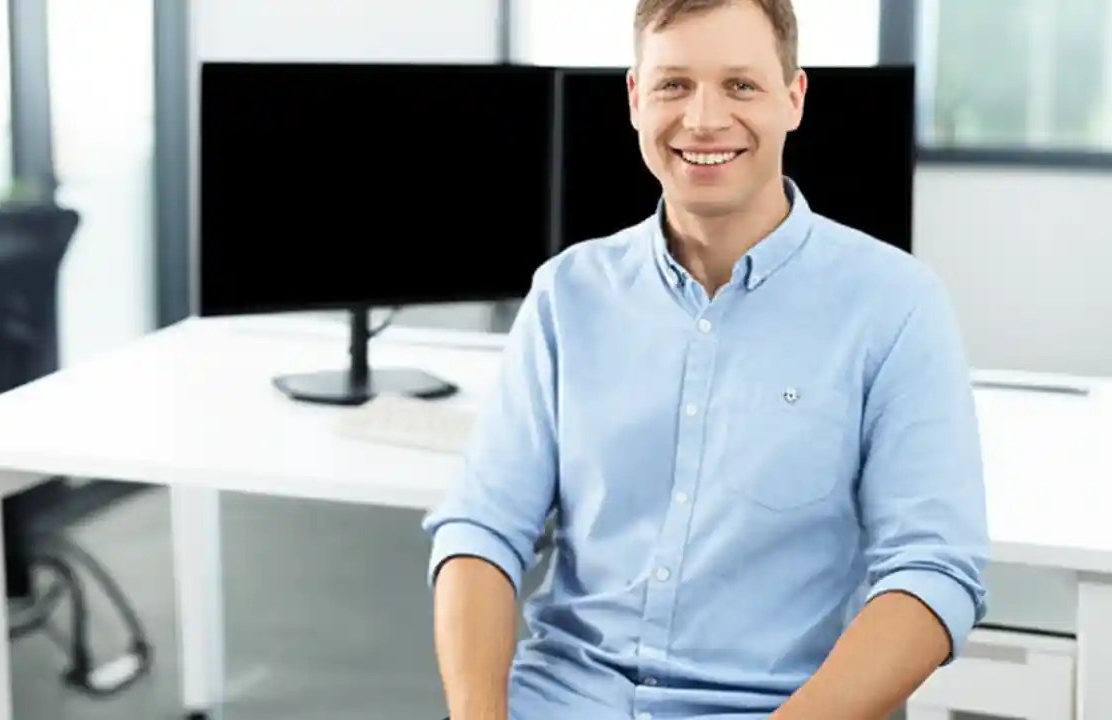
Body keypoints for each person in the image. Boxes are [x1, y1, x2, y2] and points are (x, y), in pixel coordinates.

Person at [420, 0, 990, 717]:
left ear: (794, 97)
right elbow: (481, 528)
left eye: (741, 85)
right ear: (634, 98)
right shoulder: (566, 295)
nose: (703, 119)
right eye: (673, 85)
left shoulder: (897, 305)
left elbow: (932, 571)